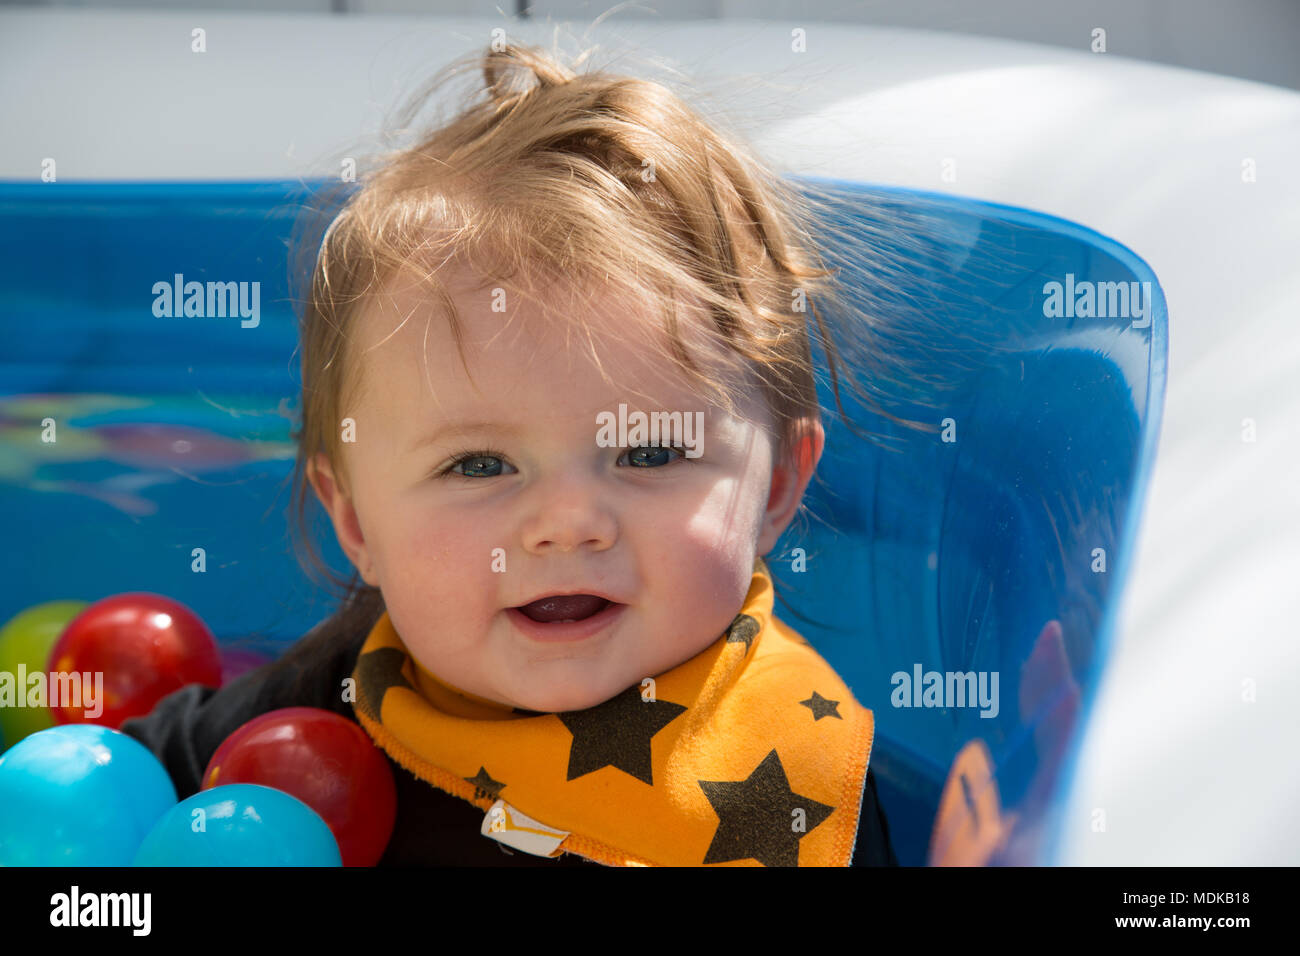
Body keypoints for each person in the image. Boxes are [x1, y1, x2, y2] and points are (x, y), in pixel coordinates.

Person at [122, 41, 900, 866]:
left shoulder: (802, 782)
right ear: (355, 521)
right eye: (479, 465)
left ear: (778, 483)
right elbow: (123, 786)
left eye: (649, 454)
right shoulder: (343, 701)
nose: (567, 524)